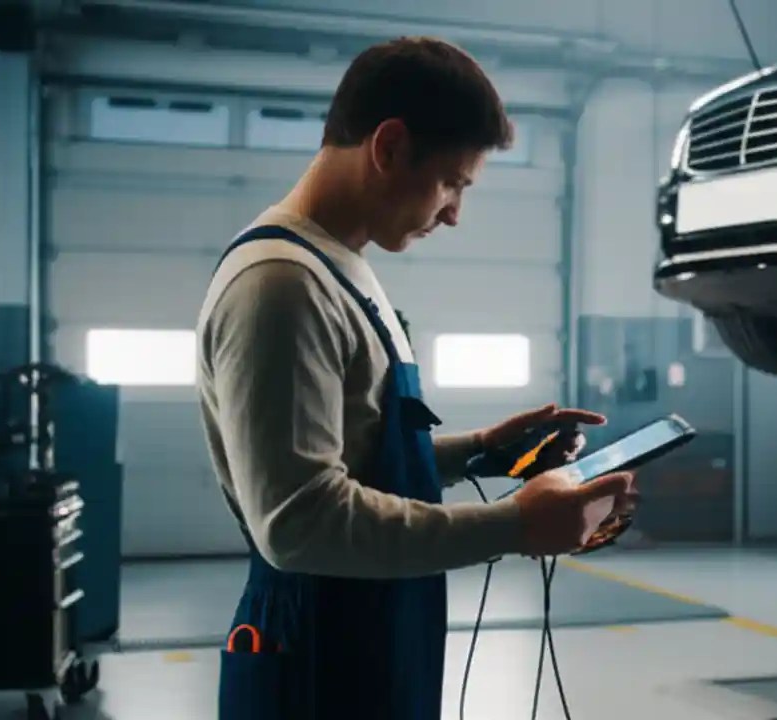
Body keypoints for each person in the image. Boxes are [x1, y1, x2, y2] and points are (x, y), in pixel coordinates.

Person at [194, 36, 637, 719]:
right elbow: (301, 521)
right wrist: (513, 526)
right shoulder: (280, 286)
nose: (455, 212)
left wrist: (484, 449)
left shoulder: (343, 268)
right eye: (453, 182)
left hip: (375, 627)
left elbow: (357, 460)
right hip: (315, 653)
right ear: (390, 146)